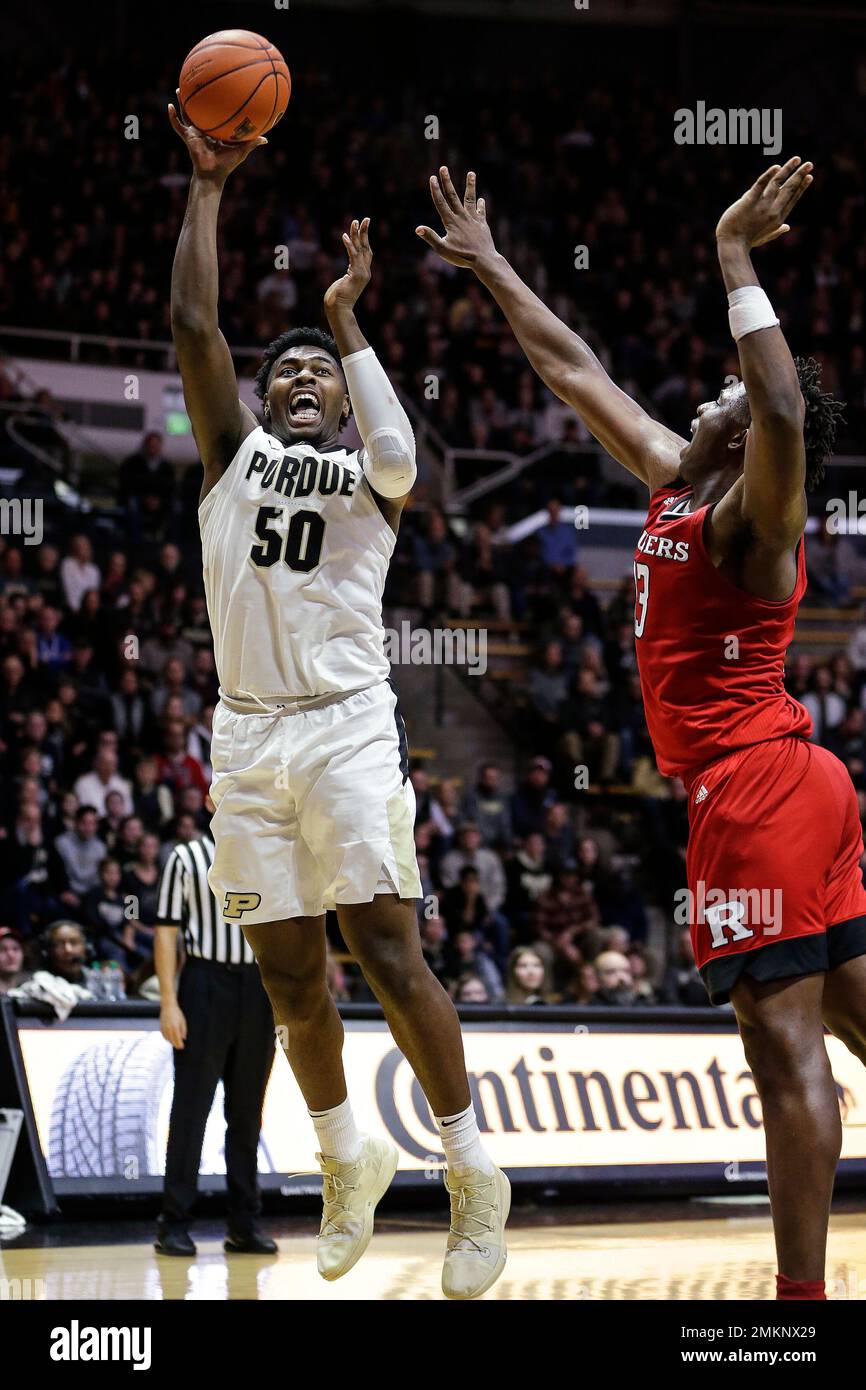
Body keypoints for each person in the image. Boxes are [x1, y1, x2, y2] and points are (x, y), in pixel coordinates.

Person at [419, 158, 865, 1301]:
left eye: (723, 393)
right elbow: (572, 369)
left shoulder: (755, 525)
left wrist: (732, 257)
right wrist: (491, 263)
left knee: (783, 1056)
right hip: (795, 785)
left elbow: (774, 403)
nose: (712, 396)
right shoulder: (673, 477)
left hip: (755, 789)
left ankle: (795, 1313)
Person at [167, 109, 509, 1299]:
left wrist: (344, 320)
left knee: (383, 948)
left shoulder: (375, 476)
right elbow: (193, 324)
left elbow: (404, 450)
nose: (300, 379)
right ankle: (340, 1160)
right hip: (248, 733)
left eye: (316, 372)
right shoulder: (233, 457)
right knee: (288, 976)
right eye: (288, 375)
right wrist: (207, 188)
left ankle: (471, 1174)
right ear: (262, 406)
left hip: (348, 721)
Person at [153, 831, 277, 1258]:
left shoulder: (272, 850)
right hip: (204, 982)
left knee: (247, 1116)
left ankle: (244, 1224)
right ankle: (174, 1223)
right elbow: (166, 931)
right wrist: (169, 1001)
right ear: (212, 799)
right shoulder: (185, 856)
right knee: (191, 1110)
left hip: (258, 988)